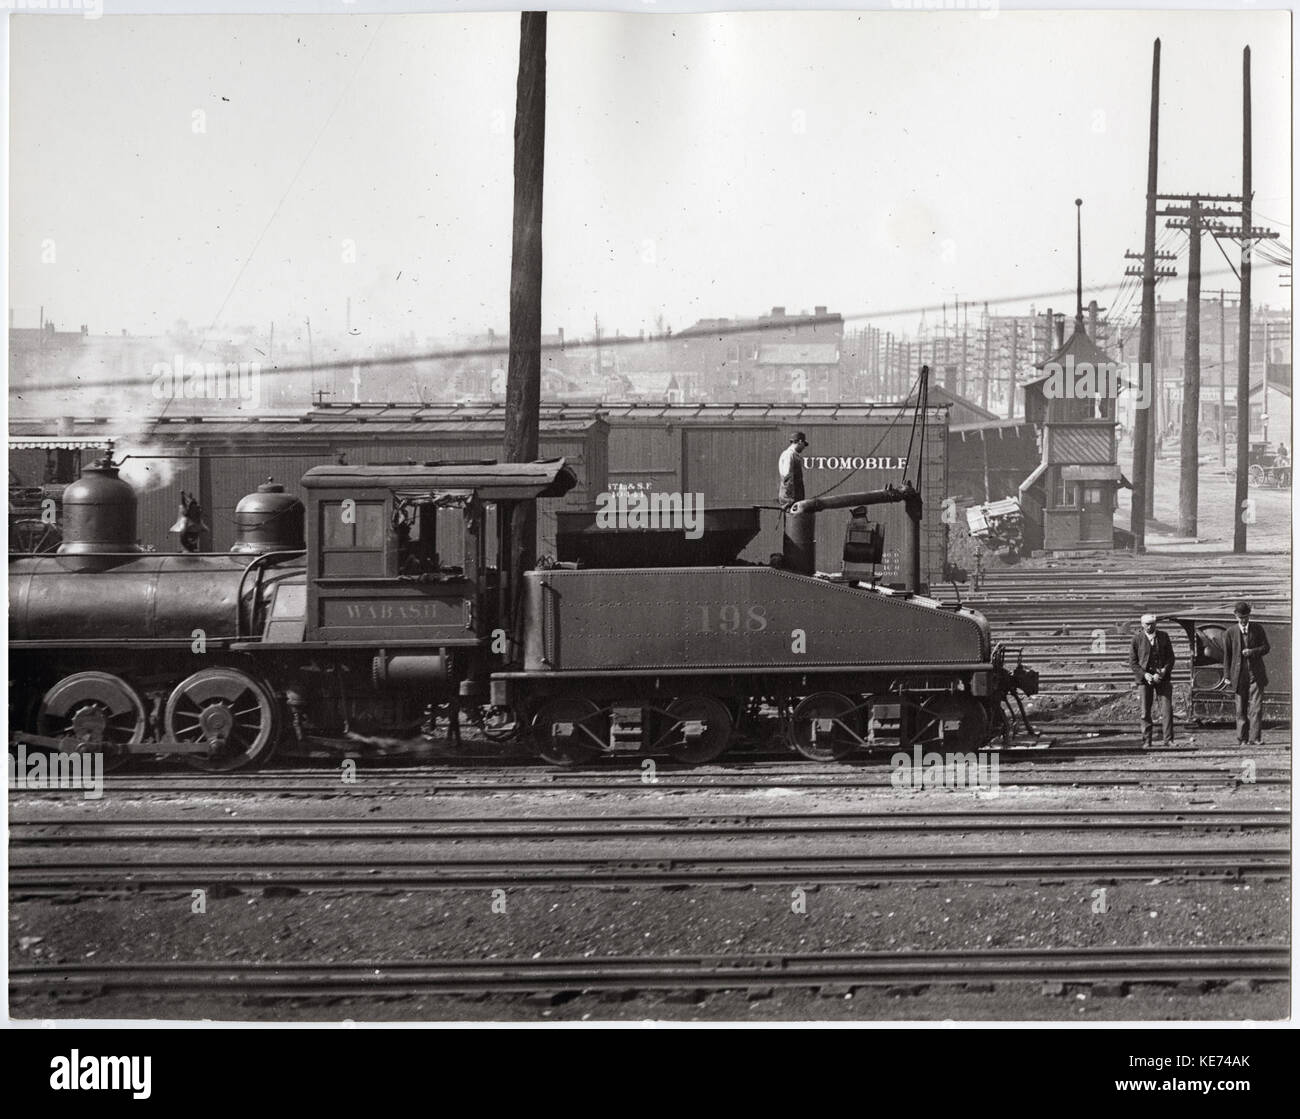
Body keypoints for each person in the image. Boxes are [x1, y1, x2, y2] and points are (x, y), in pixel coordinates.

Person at [1223, 600, 1270, 745]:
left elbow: (1266, 647)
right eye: (1240, 618)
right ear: (1235, 616)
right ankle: (1242, 738)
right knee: (1240, 709)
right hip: (1238, 676)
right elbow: (1227, 656)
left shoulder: (1258, 629)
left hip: (1256, 675)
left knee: (1256, 708)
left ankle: (1255, 738)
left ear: (1249, 616)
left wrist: (1252, 652)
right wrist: (1226, 676)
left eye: (1245, 617)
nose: (1243, 620)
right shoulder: (1230, 633)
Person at [1129, 612, 1175, 747]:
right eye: (1147, 624)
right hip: (1144, 680)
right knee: (1145, 711)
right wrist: (1145, 675)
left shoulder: (1164, 636)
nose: (1149, 627)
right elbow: (1133, 662)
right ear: (1142, 625)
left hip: (1163, 679)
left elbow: (1171, 658)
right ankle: (1147, 741)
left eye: (1152, 624)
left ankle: (1169, 740)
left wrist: (1164, 671)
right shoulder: (1136, 639)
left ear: (1156, 624)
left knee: (1167, 710)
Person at [778, 431, 808, 508]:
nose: (804, 447)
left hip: (794, 499)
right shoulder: (789, 455)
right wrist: (789, 500)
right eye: (804, 444)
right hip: (790, 500)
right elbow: (787, 476)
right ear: (800, 441)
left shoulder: (793, 455)